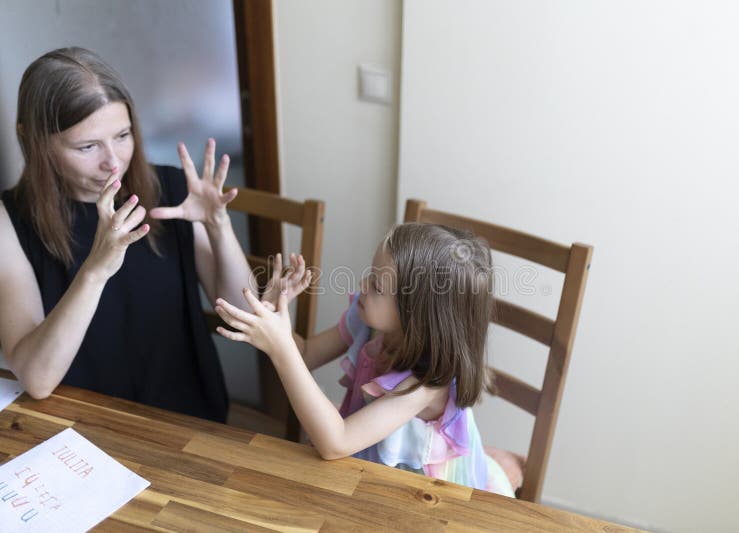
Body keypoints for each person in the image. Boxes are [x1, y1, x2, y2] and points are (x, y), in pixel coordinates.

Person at [0, 47, 254, 422]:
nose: (113, 162)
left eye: (122, 135)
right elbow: (36, 379)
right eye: (87, 147)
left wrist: (219, 226)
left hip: (187, 421)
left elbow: (245, 317)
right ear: (35, 142)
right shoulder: (10, 220)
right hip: (78, 425)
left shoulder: (171, 190)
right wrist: (94, 270)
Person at [214, 223, 516, 496]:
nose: (362, 286)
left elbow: (336, 442)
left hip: (420, 494)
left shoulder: (426, 385)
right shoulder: (367, 319)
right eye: (371, 275)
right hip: (363, 463)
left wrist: (281, 349)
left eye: (377, 286)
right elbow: (305, 354)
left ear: (417, 316)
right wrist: (272, 312)